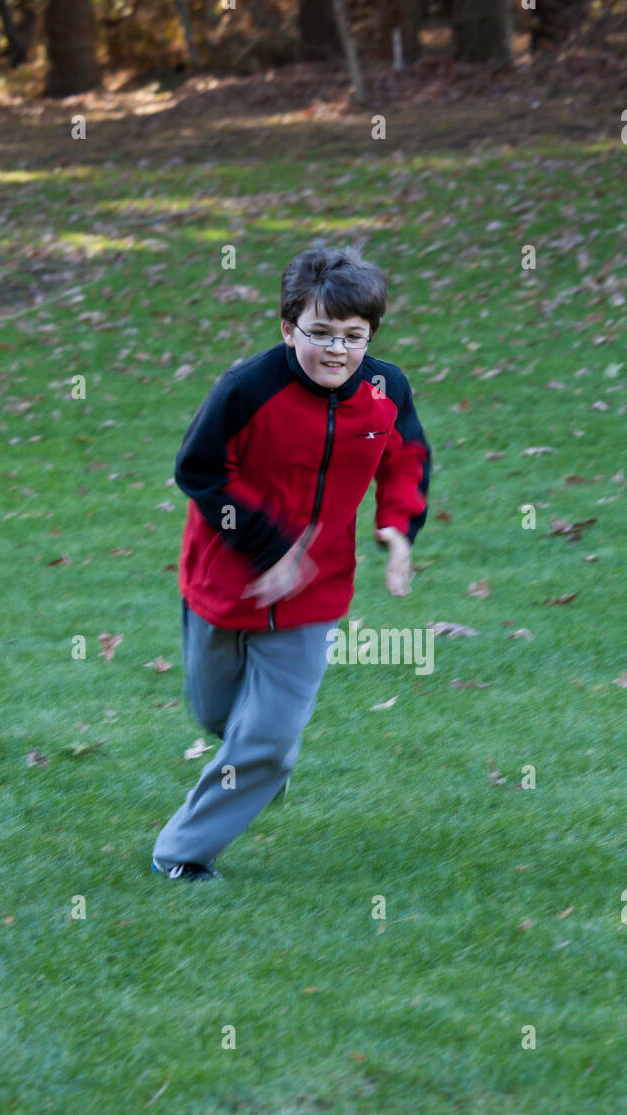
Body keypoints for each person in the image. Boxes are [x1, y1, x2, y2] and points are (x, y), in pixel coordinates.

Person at [151, 239, 432, 880]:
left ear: (372, 335)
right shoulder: (247, 389)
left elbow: (406, 459)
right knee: (217, 714)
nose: (337, 349)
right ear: (287, 328)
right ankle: (256, 765)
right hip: (227, 582)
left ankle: (184, 853)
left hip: (315, 593)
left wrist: (397, 529)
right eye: (321, 332)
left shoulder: (387, 390)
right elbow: (199, 469)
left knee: (267, 739)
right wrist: (268, 545)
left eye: (353, 335)